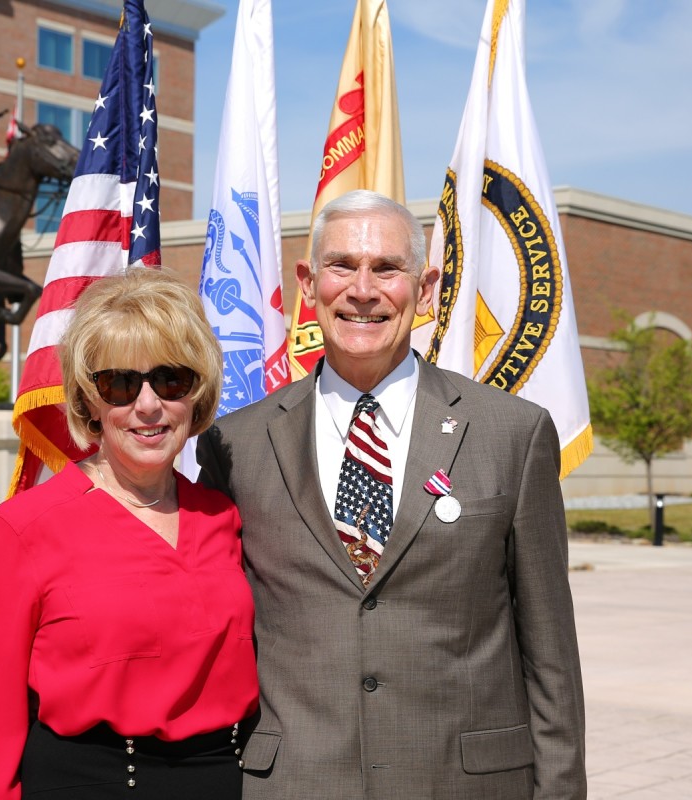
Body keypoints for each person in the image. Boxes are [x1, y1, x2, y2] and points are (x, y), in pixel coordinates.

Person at [197, 190, 587, 799]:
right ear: (307, 285)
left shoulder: (514, 433)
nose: (362, 290)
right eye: (341, 266)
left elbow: (550, 655)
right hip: (293, 784)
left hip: (464, 785)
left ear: (425, 290)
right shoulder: (235, 445)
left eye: (387, 269)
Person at [0, 268, 258, 799]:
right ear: (89, 402)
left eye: (171, 380)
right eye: (119, 384)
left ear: (198, 392)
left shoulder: (225, 516)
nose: (147, 405)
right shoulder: (20, 533)